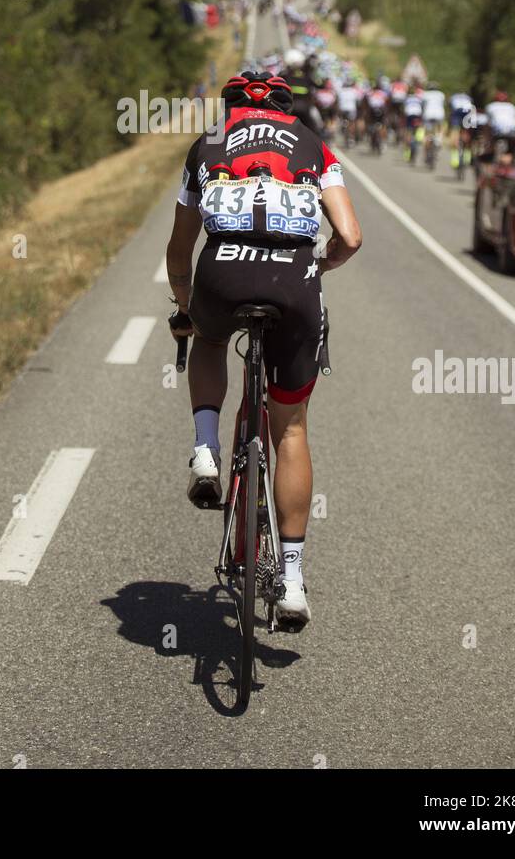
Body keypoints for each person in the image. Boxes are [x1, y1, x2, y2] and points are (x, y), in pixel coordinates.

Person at [165, 70, 362, 628]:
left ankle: (206, 448)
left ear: (231, 109)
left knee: (207, 336)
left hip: (222, 273)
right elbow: (350, 235)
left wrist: (183, 304)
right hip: (294, 281)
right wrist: (320, 265)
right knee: (291, 430)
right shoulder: (313, 145)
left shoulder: (206, 142)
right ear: (285, 108)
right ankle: (293, 582)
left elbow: (180, 249)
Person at [484, 89, 515, 156]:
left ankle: (490, 153)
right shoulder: (512, 107)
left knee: (488, 135)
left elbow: (487, 124)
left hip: (497, 132)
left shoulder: (490, 106)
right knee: (512, 150)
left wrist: (487, 139)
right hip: (512, 132)